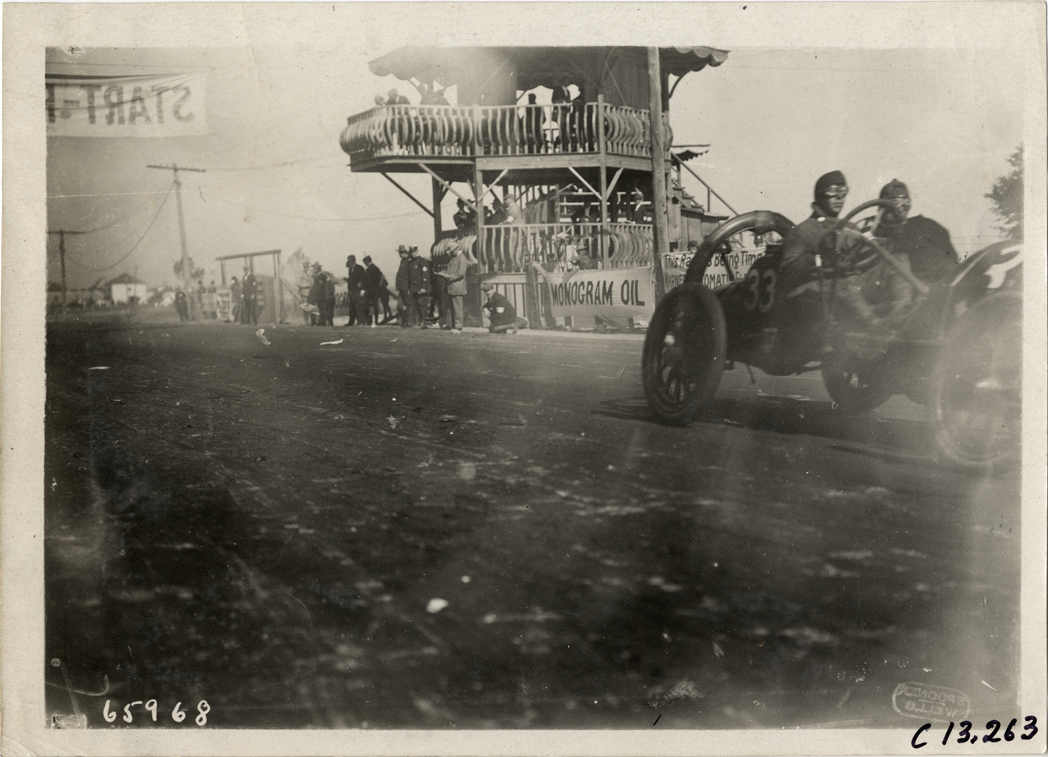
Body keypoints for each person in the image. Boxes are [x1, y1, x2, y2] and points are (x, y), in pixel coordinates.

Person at [875, 179, 959, 283]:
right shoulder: (874, 235)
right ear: (882, 208)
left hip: (941, 284)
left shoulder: (926, 226)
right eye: (895, 202)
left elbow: (952, 257)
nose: (901, 207)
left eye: (905, 201)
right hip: (906, 290)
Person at [440, 243, 470, 332]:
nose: (450, 253)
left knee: (457, 308)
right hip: (452, 287)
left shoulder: (462, 258)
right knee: (450, 307)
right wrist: (444, 273)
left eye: (451, 251)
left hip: (457, 287)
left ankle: (458, 326)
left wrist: (448, 276)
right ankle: (450, 324)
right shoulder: (456, 258)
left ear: (456, 249)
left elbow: (461, 273)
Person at [407, 246, 431, 328]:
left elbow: (425, 275)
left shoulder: (422, 261)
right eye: (411, 252)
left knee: (422, 304)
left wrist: (423, 287)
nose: (412, 253)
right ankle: (417, 321)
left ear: (417, 251)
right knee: (415, 304)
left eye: (413, 252)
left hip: (421, 287)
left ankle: (423, 321)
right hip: (414, 288)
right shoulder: (411, 262)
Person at [362, 255, 384, 327]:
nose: (365, 264)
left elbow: (369, 281)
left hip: (371, 290)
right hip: (375, 290)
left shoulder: (370, 269)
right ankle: (376, 321)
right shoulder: (376, 268)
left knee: (369, 306)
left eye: (365, 262)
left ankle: (370, 321)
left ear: (368, 261)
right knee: (375, 306)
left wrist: (366, 289)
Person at [394, 245, 413, 327]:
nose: (401, 254)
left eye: (402, 252)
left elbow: (410, 275)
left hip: (406, 287)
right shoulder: (403, 261)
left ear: (406, 252)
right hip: (402, 287)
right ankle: (402, 321)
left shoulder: (408, 261)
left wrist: (409, 287)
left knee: (408, 304)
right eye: (400, 252)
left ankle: (409, 321)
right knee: (400, 305)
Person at [345, 254, 366, 326]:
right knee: (352, 307)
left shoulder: (360, 268)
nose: (349, 262)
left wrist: (363, 289)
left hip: (358, 291)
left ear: (354, 260)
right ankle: (351, 321)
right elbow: (352, 280)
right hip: (352, 291)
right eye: (349, 260)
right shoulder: (350, 269)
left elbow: (363, 279)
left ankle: (360, 321)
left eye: (351, 260)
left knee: (359, 306)